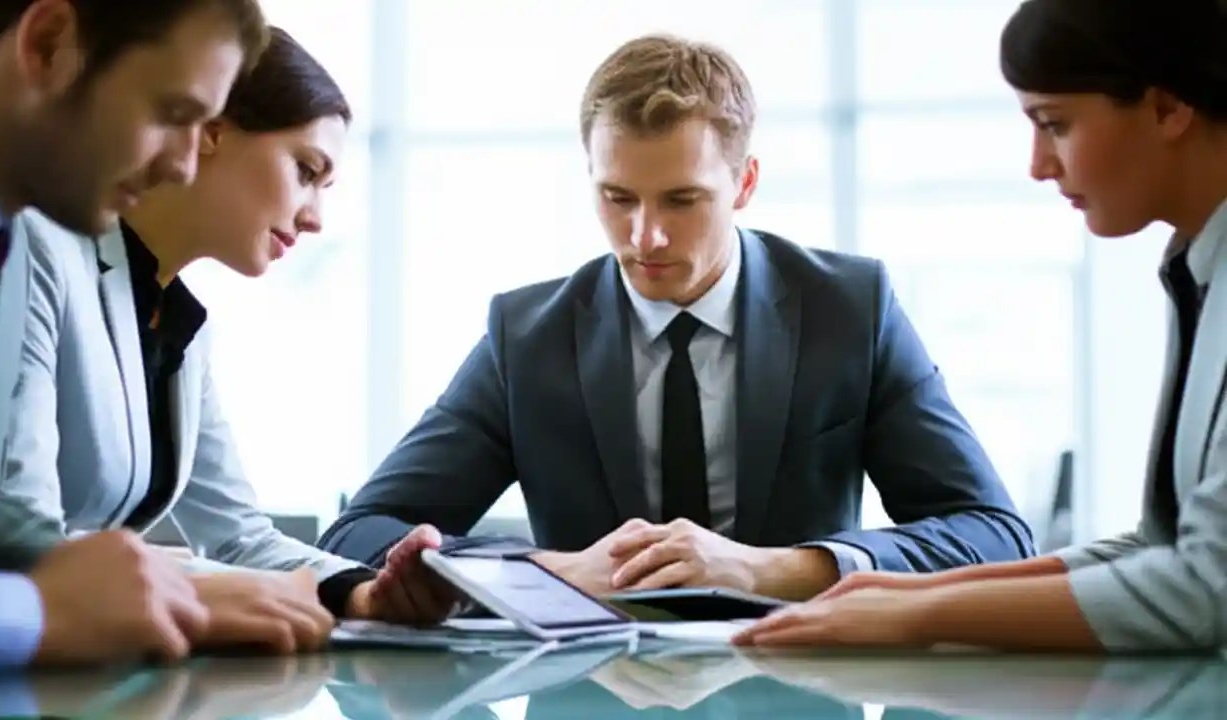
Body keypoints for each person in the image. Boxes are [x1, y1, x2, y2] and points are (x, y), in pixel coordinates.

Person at [320, 33, 1034, 601]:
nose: (645, 237)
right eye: (618, 198)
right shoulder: (527, 337)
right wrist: (556, 574)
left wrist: (768, 569)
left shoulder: (849, 311)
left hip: (799, 686)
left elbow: (995, 536)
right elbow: (357, 535)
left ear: (744, 183)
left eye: (682, 201)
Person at [733, 0, 1227, 652]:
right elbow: (1163, 548)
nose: (1038, 164)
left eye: (1055, 124)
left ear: (1168, 109)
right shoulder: (1199, 266)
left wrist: (921, 620)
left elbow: (1205, 587)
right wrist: (923, 591)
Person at [0, 25, 456, 654]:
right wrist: (198, 592)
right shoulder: (40, 249)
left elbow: (237, 538)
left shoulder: (180, 326)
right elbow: (18, 537)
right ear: (212, 128)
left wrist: (361, 593)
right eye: (305, 170)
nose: (316, 217)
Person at [0, 0, 270, 674]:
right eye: (172, 115)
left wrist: (160, 595)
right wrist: (36, 612)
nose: (186, 165)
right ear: (50, 44)